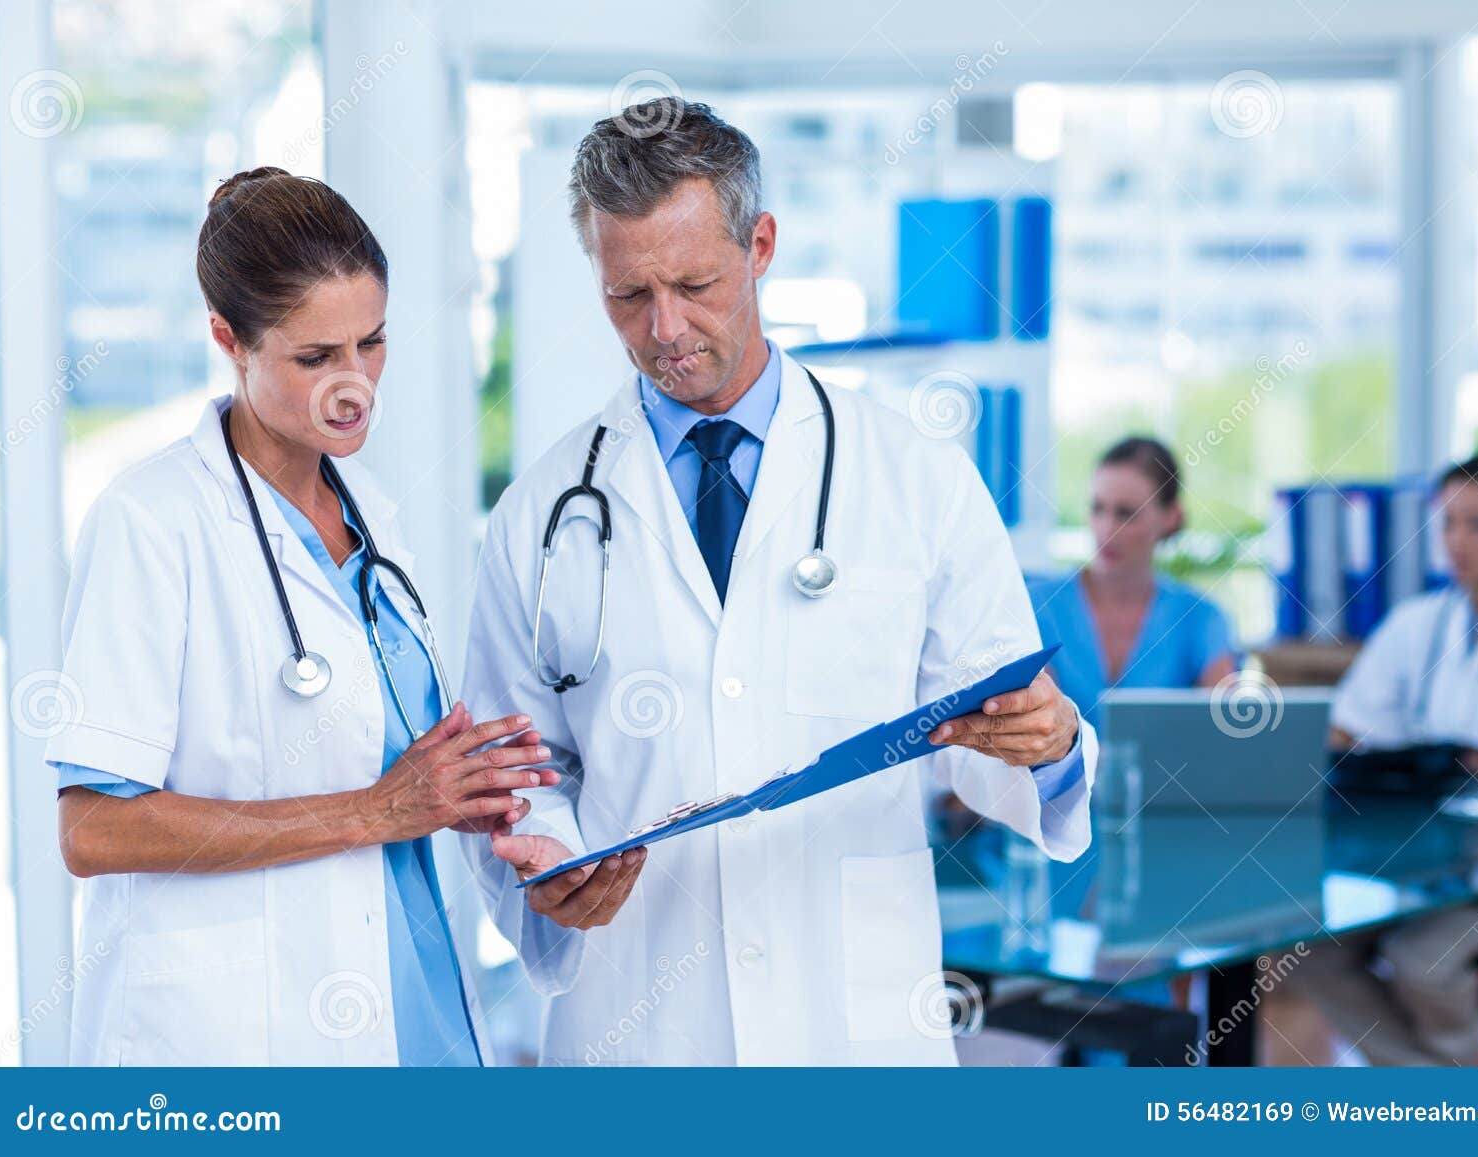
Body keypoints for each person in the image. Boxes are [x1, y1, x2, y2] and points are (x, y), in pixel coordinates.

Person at [462, 99, 1096, 1066]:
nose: (665, 328)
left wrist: (1048, 746)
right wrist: (543, 867)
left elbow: (996, 730)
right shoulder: (539, 515)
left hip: (853, 1030)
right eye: (628, 294)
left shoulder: (914, 476)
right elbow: (515, 770)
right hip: (640, 1032)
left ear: (759, 246)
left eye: (694, 283)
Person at [47, 168, 556, 1066]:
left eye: (371, 342)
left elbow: (386, 777)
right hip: (239, 1041)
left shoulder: (376, 521)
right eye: (315, 358)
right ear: (227, 340)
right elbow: (94, 828)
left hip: (411, 1006)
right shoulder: (153, 519)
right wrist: (373, 810)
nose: (353, 383)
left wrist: (469, 792)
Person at [1296, 451, 1478, 1065]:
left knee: (1422, 962)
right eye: (1449, 524)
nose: (1458, 542)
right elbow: (1348, 724)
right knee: (1311, 953)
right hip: (1424, 851)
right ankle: (1448, 1106)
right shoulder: (1419, 623)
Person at [1027, 436, 1235, 728]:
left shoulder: (1200, 617)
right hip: (1063, 775)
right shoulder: (1038, 606)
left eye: (1127, 514)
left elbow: (1230, 730)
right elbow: (1038, 728)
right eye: (1098, 508)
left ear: (1170, 517)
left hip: (1164, 775)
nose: (1106, 529)